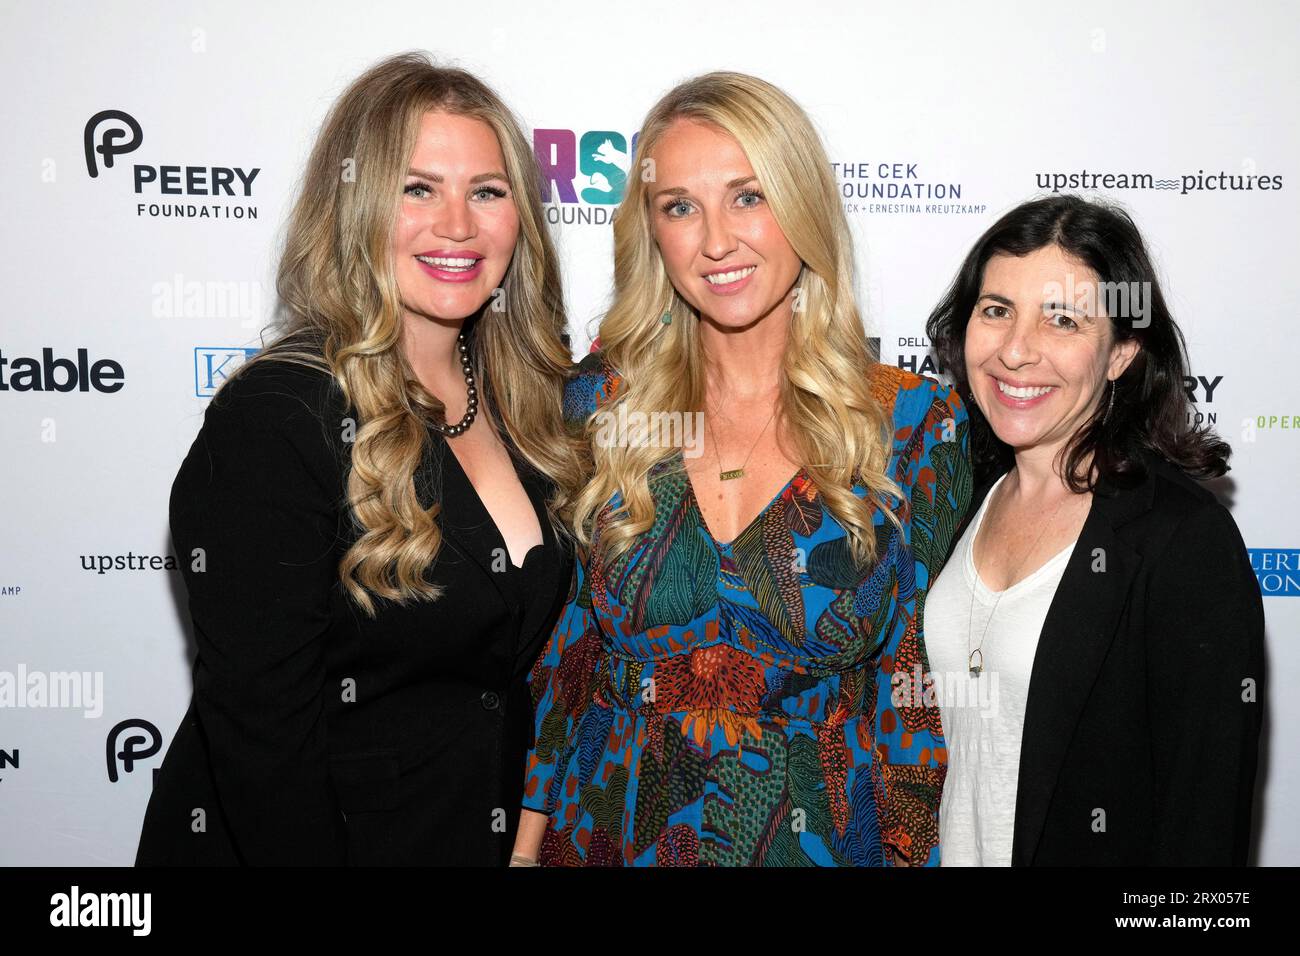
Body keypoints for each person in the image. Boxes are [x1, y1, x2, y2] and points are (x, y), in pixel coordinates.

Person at [135, 51, 584, 866]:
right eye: (418, 189)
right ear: (355, 207)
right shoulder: (275, 421)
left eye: (487, 191)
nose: (457, 225)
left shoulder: (529, 406)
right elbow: (265, 750)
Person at [512, 72, 971, 866]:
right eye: (679, 207)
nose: (716, 239)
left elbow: (916, 693)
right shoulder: (599, 404)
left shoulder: (915, 425)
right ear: (651, 232)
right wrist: (521, 850)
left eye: (748, 196)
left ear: (802, 207)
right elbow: (568, 658)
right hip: (613, 834)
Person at [923, 194, 1265, 865]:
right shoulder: (955, 498)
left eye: (1062, 320)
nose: (1017, 351)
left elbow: (1203, 823)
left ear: (1122, 352)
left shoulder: (1180, 539)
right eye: (996, 311)